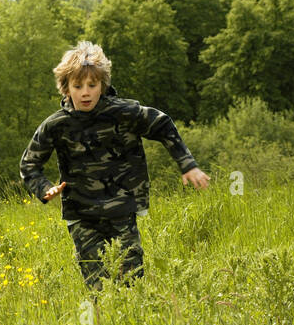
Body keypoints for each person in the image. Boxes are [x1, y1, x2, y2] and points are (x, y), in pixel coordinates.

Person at [20, 41, 209, 287]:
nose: (85, 92)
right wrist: (45, 189)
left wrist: (188, 165)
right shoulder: (55, 125)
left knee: (131, 281)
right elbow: (29, 165)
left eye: (92, 85)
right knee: (97, 285)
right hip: (82, 214)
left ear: (102, 85)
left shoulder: (124, 112)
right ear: (66, 88)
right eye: (78, 86)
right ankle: (99, 323)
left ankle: (133, 323)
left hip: (122, 208)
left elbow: (162, 124)